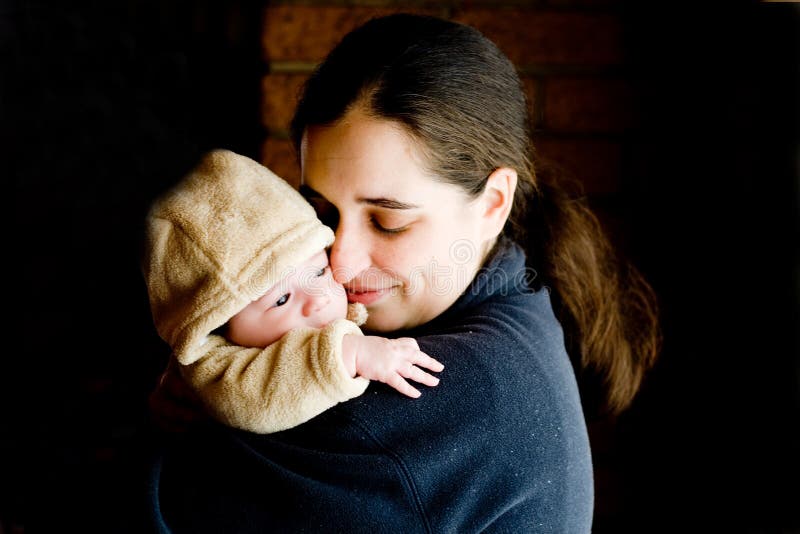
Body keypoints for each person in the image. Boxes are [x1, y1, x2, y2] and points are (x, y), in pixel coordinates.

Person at [146, 13, 660, 533]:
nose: (339, 263)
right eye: (322, 214)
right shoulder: (512, 299)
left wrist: (207, 376)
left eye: (388, 222)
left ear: (492, 204)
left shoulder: (414, 404)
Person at [142, 148, 444, 434]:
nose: (318, 299)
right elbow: (253, 402)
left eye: (319, 272)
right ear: (218, 328)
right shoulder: (223, 373)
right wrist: (349, 354)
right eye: (282, 299)